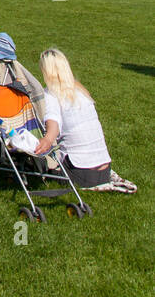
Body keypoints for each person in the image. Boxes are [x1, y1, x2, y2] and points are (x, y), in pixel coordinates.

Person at [32, 49, 136, 193]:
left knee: (45, 167)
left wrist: (47, 140)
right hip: (104, 169)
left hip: (82, 172)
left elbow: (53, 124)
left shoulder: (51, 95)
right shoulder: (81, 92)